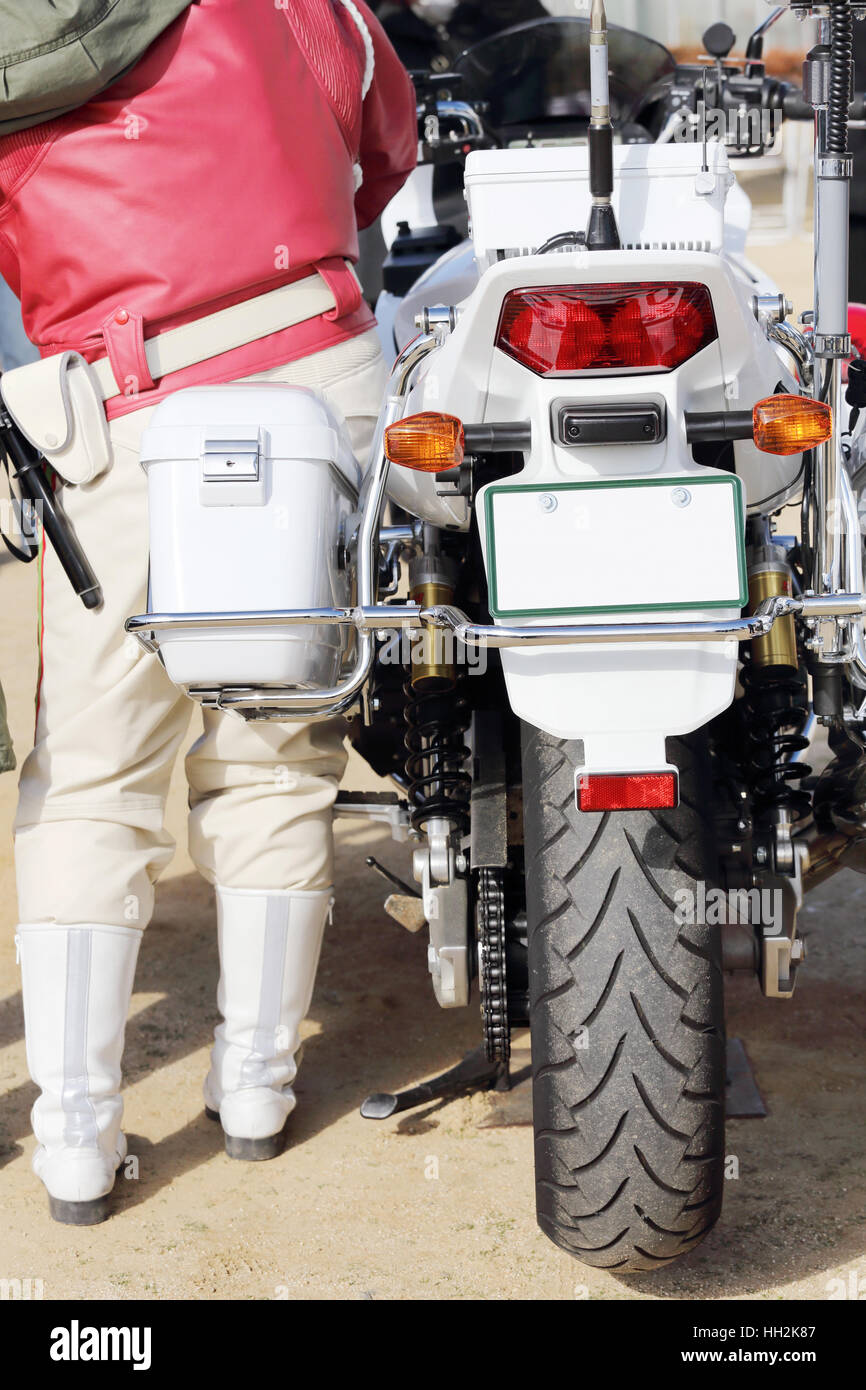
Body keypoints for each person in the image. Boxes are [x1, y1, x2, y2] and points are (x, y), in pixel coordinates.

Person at [0, 0, 416, 1223]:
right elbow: (380, 153)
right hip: (302, 364)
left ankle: (74, 1136)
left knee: (90, 773)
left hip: (107, 399)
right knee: (276, 752)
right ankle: (256, 1089)